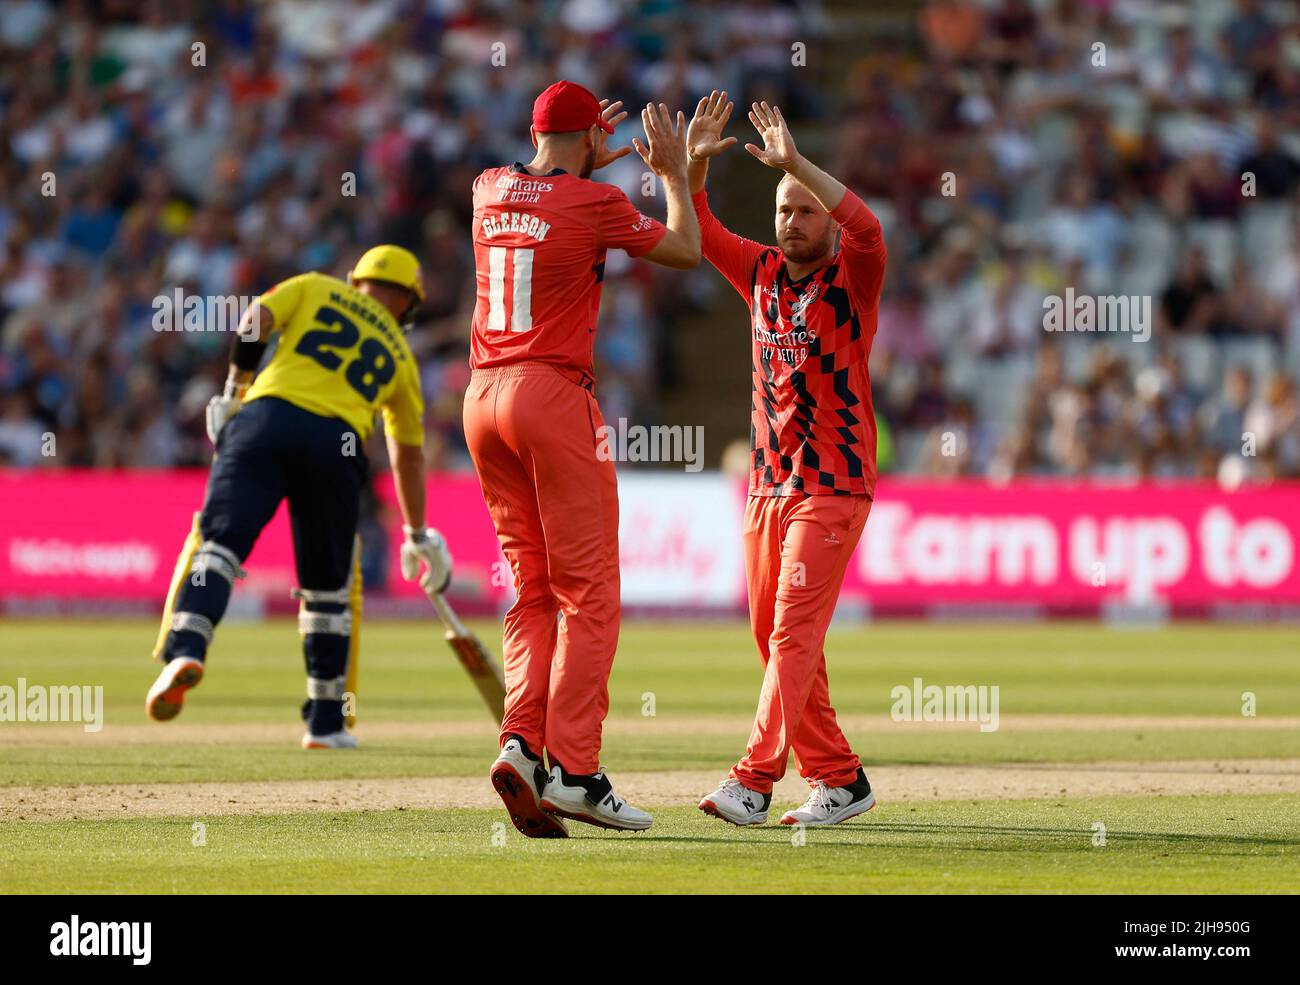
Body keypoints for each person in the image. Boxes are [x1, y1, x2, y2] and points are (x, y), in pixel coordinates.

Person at [466, 80, 701, 836]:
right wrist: (670, 174)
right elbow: (687, 251)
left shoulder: (485, 186)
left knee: (530, 587)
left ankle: (519, 743)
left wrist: (581, 149)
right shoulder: (595, 204)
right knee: (588, 591)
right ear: (592, 139)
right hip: (551, 395)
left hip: (481, 399)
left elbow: (544, 183)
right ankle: (575, 769)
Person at [145, 246, 453, 749]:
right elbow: (408, 457)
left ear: (357, 281)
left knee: (220, 546)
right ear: (407, 302)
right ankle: (326, 723)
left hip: (266, 421)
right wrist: (416, 532)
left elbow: (253, 321)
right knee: (327, 590)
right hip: (338, 446)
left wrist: (233, 390)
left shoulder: (314, 285)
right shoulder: (400, 354)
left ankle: (187, 647)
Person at [687, 92, 887, 826]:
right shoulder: (761, 274)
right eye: (782, 211)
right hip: (767, 486)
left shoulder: (853, 279)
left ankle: (754, 778)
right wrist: (693, 169)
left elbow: (868, 226)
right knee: (772, 634)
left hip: (832, 485)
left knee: (791, 632)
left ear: (827, 220)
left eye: (805, 211)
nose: (792, 223)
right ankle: (839, 778)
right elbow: (702, 232)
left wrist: (798, 162)